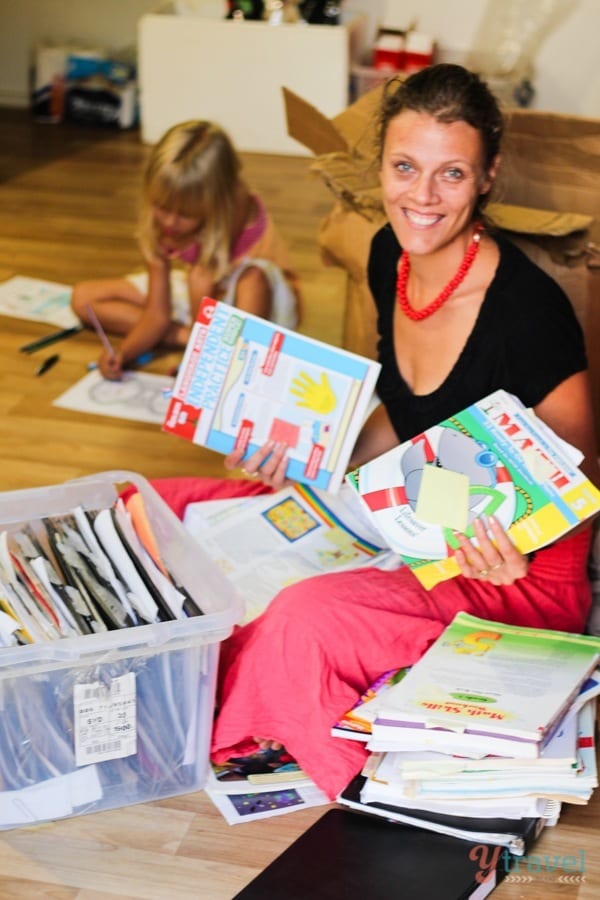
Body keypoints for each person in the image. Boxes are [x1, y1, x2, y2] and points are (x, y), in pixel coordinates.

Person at [152, 64, 600, 800]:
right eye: (405, 167)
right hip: (420, 504)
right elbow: (404, 419)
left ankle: (214, 718)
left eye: (450, 174)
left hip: (511, 572)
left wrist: (508, 552)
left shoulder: (530, 315)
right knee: (175, 503)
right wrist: (311, 453)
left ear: (487, 177)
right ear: (382, 167)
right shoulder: (388, 253)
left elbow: (575, 485)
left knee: (304, 617)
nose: (421, 198)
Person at [71, 120, 299, 380]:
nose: (170, 222)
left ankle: (216, 353)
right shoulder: (161, 224)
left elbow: (204, 282)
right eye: (162, 207)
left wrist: (198, 361)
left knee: (249, 279)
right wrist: (124, 353)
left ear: (216, 200)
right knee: (83, 298)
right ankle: (189, 337)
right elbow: (158, 313)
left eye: (185, 215)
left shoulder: (235, 201)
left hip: (260, 304)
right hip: (202, 305)